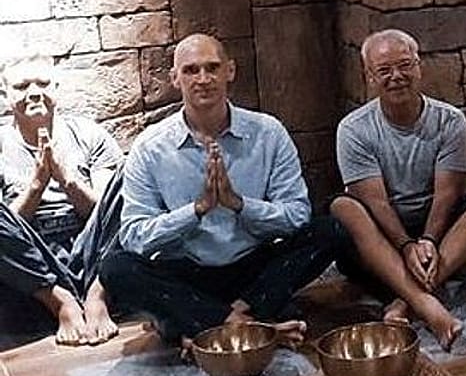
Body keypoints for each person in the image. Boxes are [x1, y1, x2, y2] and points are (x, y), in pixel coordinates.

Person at [101, 34, 342, 349]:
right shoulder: (150, 146)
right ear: (175, 78)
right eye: (191, 70)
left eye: (212, 68)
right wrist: (196, 211)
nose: (203, 79)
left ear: (230, 71)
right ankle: (247, 324)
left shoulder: (268, 132)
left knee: (333, 229)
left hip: (252, 265)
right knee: (116, 268)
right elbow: (134, 235)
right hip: (188, 270)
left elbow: (297, 214)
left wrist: (239, 205)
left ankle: (201, 324)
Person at [332, 30, 466, 351]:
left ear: (419, 67)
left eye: (404, 66)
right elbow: (376, 202)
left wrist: (426, 241)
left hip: (437, 237)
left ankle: (404, 302)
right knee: (343, 207)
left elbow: (447, 194)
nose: (396, 77)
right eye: (384, 70)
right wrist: (404, 245)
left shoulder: (449, 120)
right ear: (369, 77)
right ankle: (428, 305)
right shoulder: (354, 129)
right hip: (382, 241)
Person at [0, 55, 123, 346]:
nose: (33, 92)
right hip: (31, 256)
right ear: (6, 97)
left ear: (56, 88)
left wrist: (67, 181)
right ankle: (60, 301)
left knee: (129, 183)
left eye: (42, 83)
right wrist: (36, 186)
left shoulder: (90, 135)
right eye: (21, 86)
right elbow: (6, 229)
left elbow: (105, 211)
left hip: (88, 245)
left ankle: (96, 295)